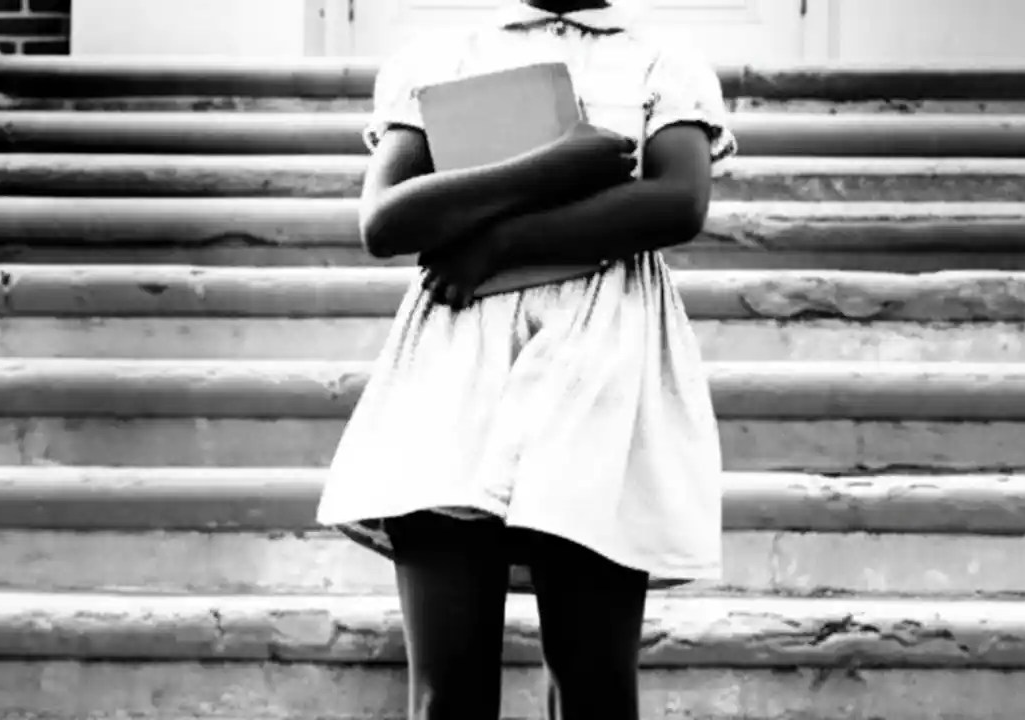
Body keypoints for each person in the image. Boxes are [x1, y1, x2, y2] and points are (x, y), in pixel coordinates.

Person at [315, 1, 736, 718]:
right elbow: (387, 219)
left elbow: (675, 203)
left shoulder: (661, 62)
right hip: (458, 358)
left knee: (595, 684)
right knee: (448, 691)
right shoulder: (440, 58)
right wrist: (552, 166)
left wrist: (501, 241)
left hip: (603, 358)